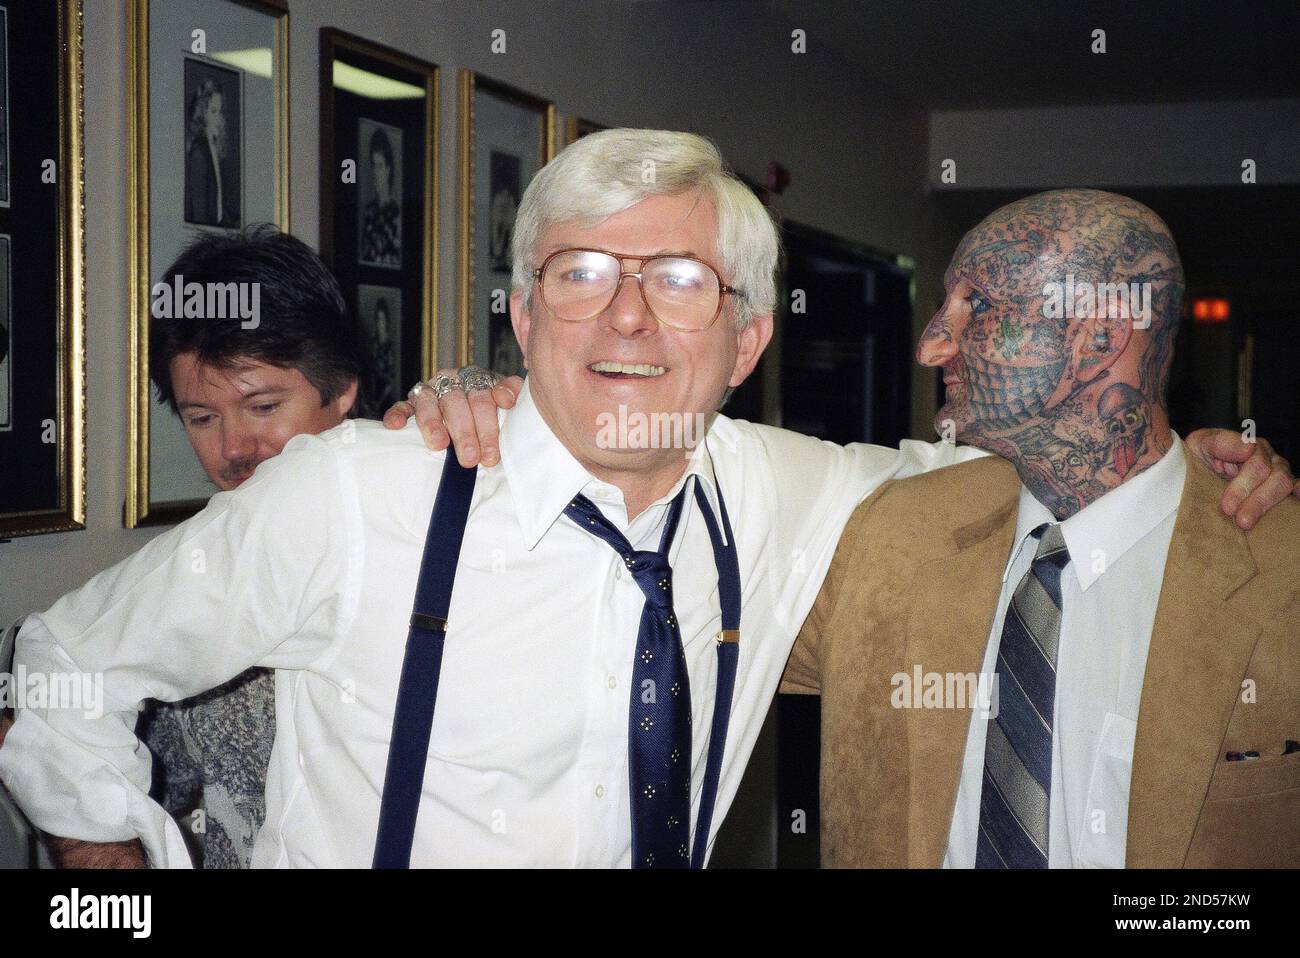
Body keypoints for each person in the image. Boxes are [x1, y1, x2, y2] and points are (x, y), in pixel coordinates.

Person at [0, 132, 1290, 869]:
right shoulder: (355, 493)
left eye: (677, 275)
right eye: (578, 275)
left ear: (741, 342)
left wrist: (1223, 462)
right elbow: (61, 661)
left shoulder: (796, 491)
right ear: (520, 317)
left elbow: (1036, 474)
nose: (623, 314)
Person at [778, 190, 1300, 867]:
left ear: (1100, 339)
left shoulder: (1280, 571)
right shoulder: (888, 537)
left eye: (981, 305)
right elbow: (707, 633)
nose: (933, 343)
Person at [3, 226, 364, 868]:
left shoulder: (421, 518)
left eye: (263, 405)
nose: (235, 447)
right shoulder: (198, 569)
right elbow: (60, 683)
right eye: (203, 417)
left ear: (341, 395)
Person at [185, 79, 237, 228]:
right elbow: (199, 211)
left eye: (220, 111)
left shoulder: (216, 145)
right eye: (213, 111)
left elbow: (222, 200)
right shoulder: (199, 152)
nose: (219, 118)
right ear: (202, 113)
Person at [359, 127, 400, 267]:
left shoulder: (397, 214)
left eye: (380, 165)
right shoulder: (369, 212)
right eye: (374, 165)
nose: (376, 172)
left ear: (388, 169)